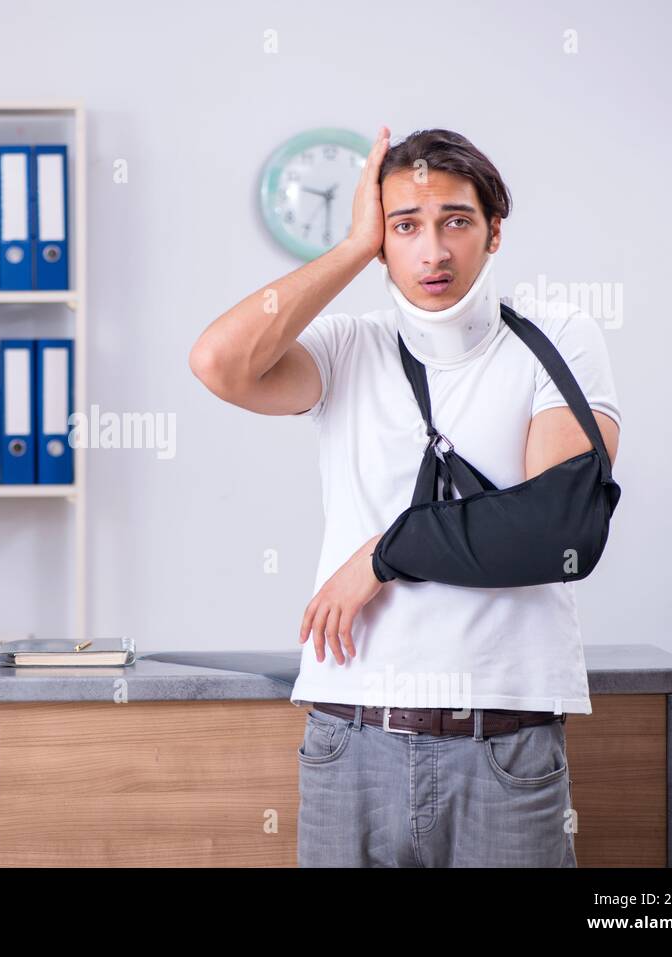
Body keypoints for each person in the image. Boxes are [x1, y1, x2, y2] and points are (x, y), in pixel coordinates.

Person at [188, 127, 622, 867]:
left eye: (456, 220)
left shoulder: (559, 336)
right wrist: (353, 247)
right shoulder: (346, 347)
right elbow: (217, 362)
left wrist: (382, 555)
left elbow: (557, 530)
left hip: (503, 744)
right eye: (405, 226)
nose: (434, 250)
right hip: (349, 739)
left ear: (494, 233)